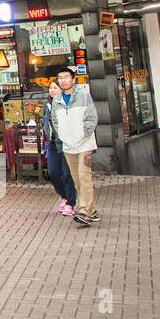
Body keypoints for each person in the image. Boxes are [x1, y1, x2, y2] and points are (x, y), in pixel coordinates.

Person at [45, 67, 100, 227]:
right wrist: (63, 137)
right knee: (76, 180)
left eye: (66, 77)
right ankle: (92, 210)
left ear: (73, 79)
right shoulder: (57, 100)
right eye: (60, 77)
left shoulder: (83, 96)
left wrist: (82, 134)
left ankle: (85, 212)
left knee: (84, 177)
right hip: (68, 146)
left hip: (84, 144)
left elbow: (92, 118)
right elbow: (55, 121)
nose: (62, 80)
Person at [41, 80, 77, 218]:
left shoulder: (65, 104)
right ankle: (65, 196)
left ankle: (71, 203)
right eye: (50, 88)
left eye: (55, 87)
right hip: (51, 144)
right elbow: (45, 122)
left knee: (66, 174)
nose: (52, 90)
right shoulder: (48, 105)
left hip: (65, 143)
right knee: (53, 172)